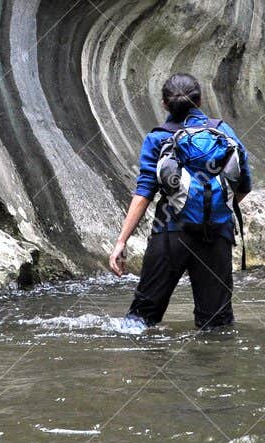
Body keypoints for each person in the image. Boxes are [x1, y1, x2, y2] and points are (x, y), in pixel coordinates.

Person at [108, 72, 252, 329]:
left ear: (164, 104)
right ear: (200, 99)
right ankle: (216, 367)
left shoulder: (158, 138)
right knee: (216, 325)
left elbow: (144, 193)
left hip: (169, 233)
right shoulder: (223, 131)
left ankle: (143, 367)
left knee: (141, 320)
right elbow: (244, 185)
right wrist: (213, 208)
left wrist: (121, 241)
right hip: (216, 235)